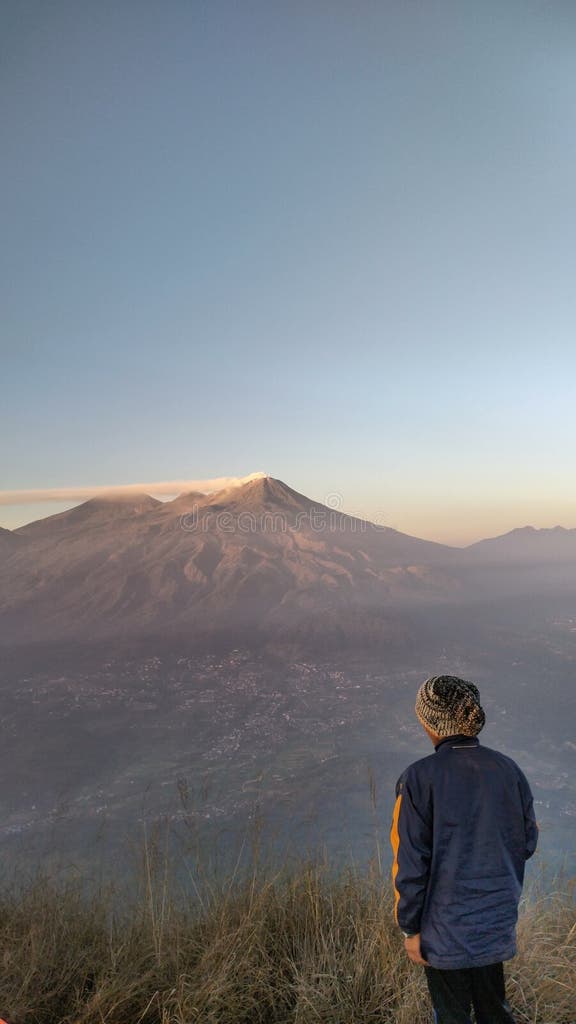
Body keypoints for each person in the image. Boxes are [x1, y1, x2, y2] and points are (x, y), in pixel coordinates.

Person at [390, 674, 538, 1024]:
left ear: (428, 722)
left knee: (452, 1015)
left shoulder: (417, 779)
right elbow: (527, 842)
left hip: (444, 931)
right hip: (494, 924)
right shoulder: (508, 770)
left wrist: (410, 930)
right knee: (495, 1011)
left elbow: (410, 864)